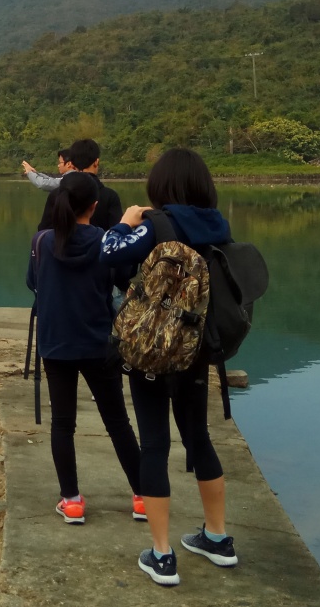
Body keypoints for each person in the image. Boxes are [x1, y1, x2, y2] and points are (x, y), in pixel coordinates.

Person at [100, 147, 237, 587]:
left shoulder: (158, 225)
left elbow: (108, 252)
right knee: (198, 435)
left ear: (163, 186)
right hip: (196, 349)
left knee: (155, 442)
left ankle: (162, 556)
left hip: (156, 349)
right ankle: (217, 538)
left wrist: (126, 221)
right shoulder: (219, 225)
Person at [25, 172, 145, 526]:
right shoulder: (105, 241)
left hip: (57, 343)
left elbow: (32, 283)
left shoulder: (41, 242)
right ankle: (142, 497)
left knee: (63, 424)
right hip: (98, 343)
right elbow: (125, 276)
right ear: (94, 206)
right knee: (118, 422)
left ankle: (72, 501)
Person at [22, 139, 123, 231]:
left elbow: (44, 230)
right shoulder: (110, 196)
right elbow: (117, 235)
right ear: (96, 162)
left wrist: (32, 173)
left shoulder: (57, 194)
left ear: (72, 164)